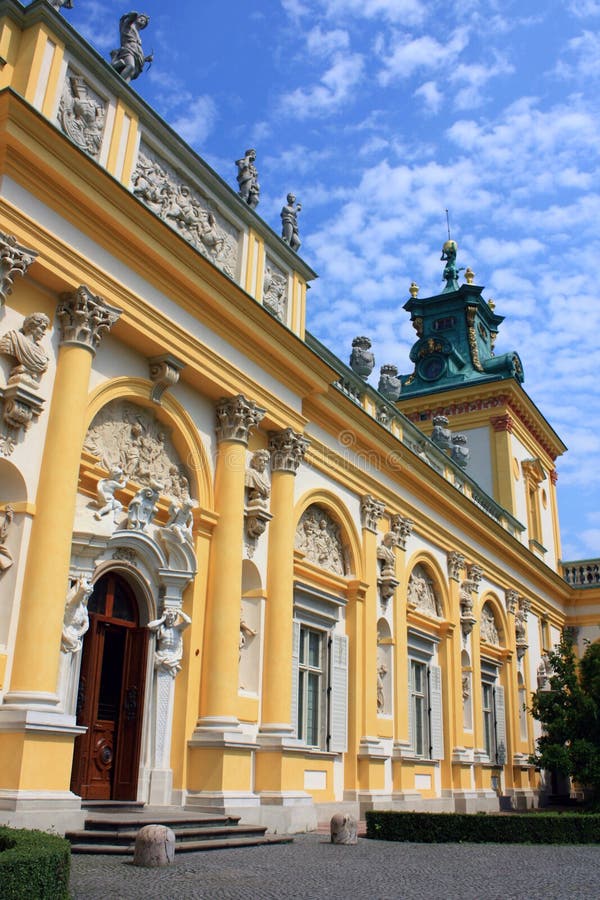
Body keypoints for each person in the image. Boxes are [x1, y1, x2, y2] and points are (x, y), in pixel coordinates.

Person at [0, 312, 50, 384]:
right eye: (42, 328)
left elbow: (44, 366)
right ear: (32, 326)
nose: (44, 333)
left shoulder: (42, 353)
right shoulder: (13, 338)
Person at [148, 607, 191, 676]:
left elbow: (188, 621)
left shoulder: (177, 629)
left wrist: (179, 612)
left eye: (172, 619)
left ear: (175, 619)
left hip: (173, 657)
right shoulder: (161, 628)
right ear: (165, 619)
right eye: (168, 619)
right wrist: (162, 619)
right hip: (161, 656)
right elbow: (150, 626)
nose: (170, 621)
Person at [110, 13, 153, 83]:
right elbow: (127, 17)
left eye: (144, 22)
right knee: (130, 66)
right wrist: (132, 14)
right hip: (128, 49)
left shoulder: (138, 35)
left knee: (131, 74)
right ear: (136, 18)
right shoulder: (128, 26)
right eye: (141, 19)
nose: (143, 21)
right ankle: (117, 84)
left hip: (137, 55)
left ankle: (122, 91)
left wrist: (145, 59)